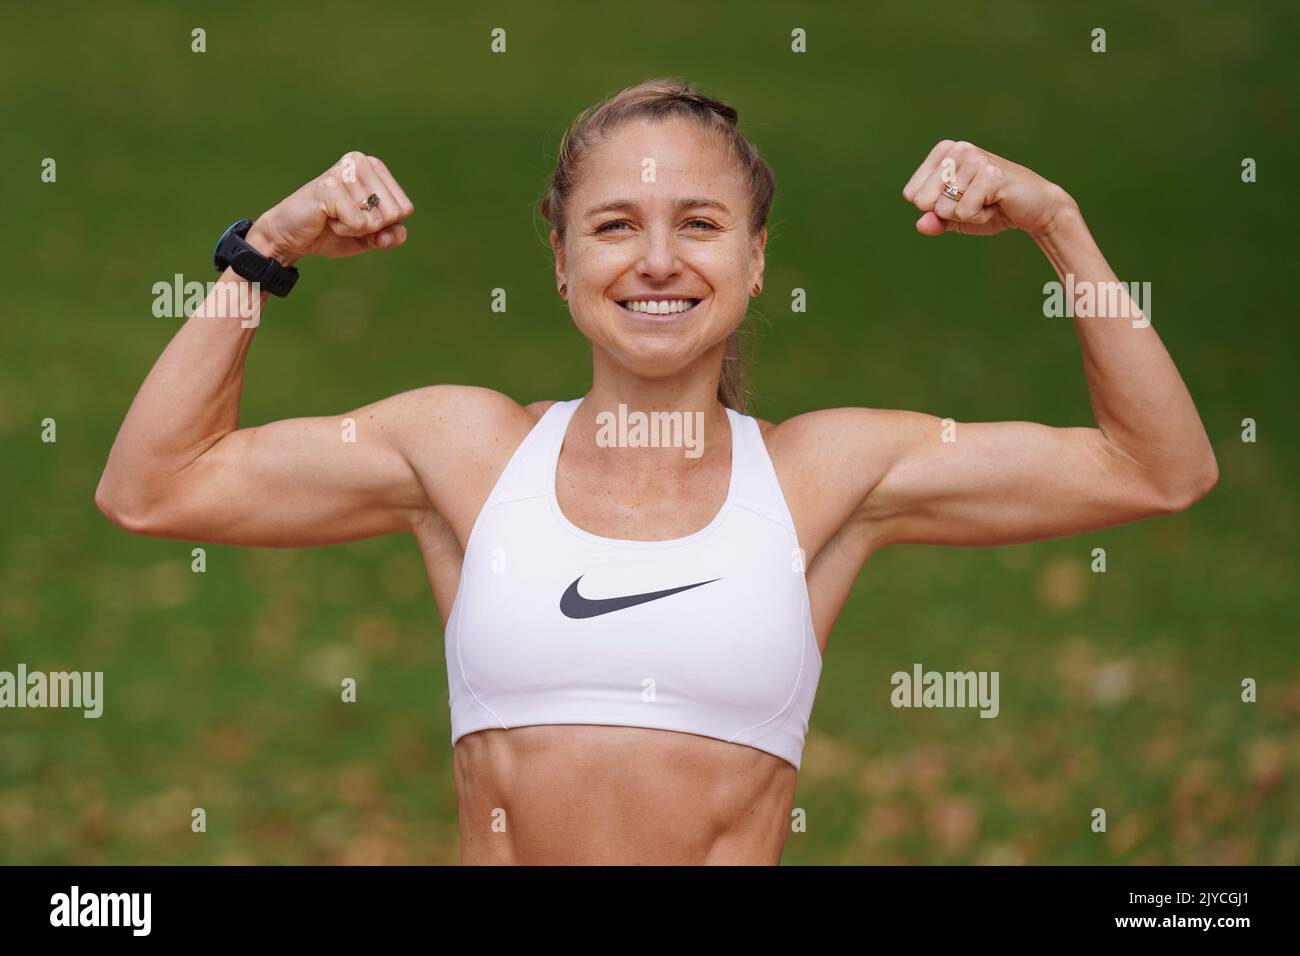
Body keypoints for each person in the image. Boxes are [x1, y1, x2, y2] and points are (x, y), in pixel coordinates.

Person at [96, 78, 1217, 865]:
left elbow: (1157, 466)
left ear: (756, 256)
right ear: (561, 258)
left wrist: (1058, 226)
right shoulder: (468, 451)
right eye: (616, 224)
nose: (659, 260)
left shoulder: (824, 474)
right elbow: (153, 487)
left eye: (700, 222)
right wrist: (266, 251)